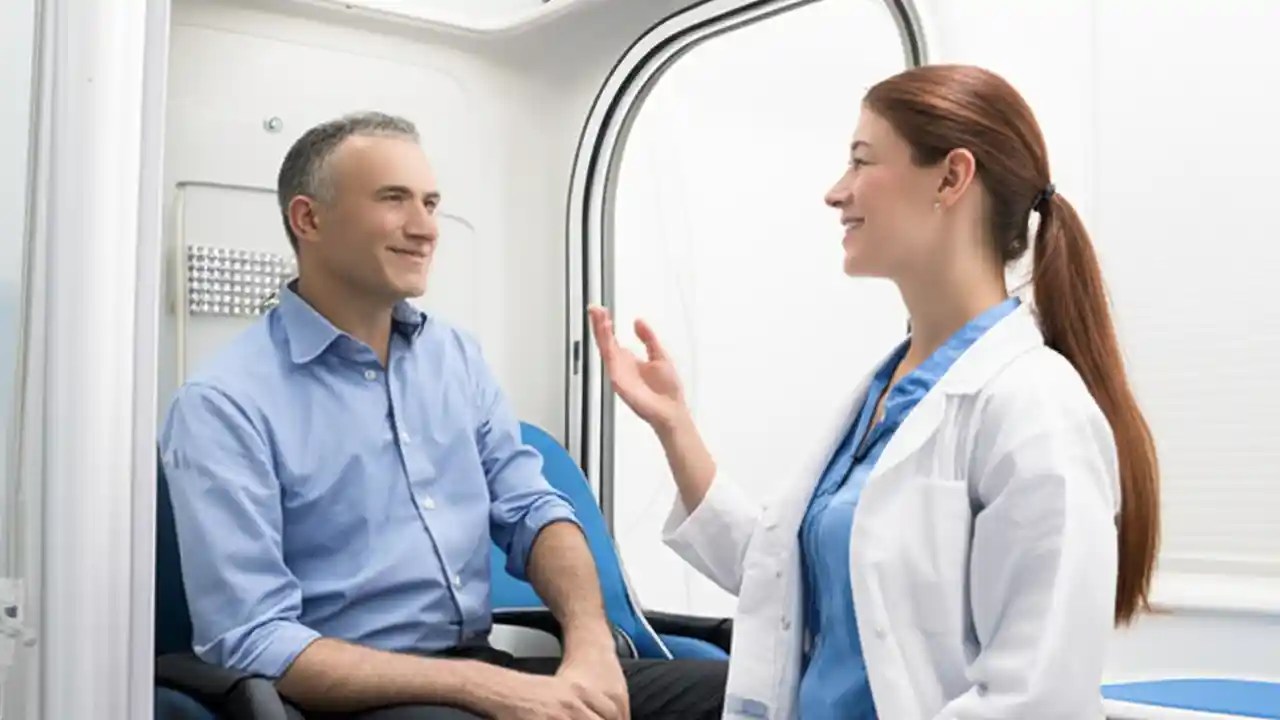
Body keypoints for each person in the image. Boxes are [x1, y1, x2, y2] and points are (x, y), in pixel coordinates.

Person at [588, 64, 1161, 719]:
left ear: (951, 178)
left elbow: (1033, 700)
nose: (837, 192)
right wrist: (674, 426)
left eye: (862, 161)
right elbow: (788, 582)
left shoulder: (1036, 411)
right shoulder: (886, 392)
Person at [160, 111, 727, 720]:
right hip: (354, 699)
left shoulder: (456, 357)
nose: (425, 227)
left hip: (481, 665)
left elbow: (534, 512)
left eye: (430, 203)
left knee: (743, 699)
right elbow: (253, 637)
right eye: (394, 199)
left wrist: (589, 643)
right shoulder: (223, 404)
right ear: (309, 219)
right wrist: (485, 689)